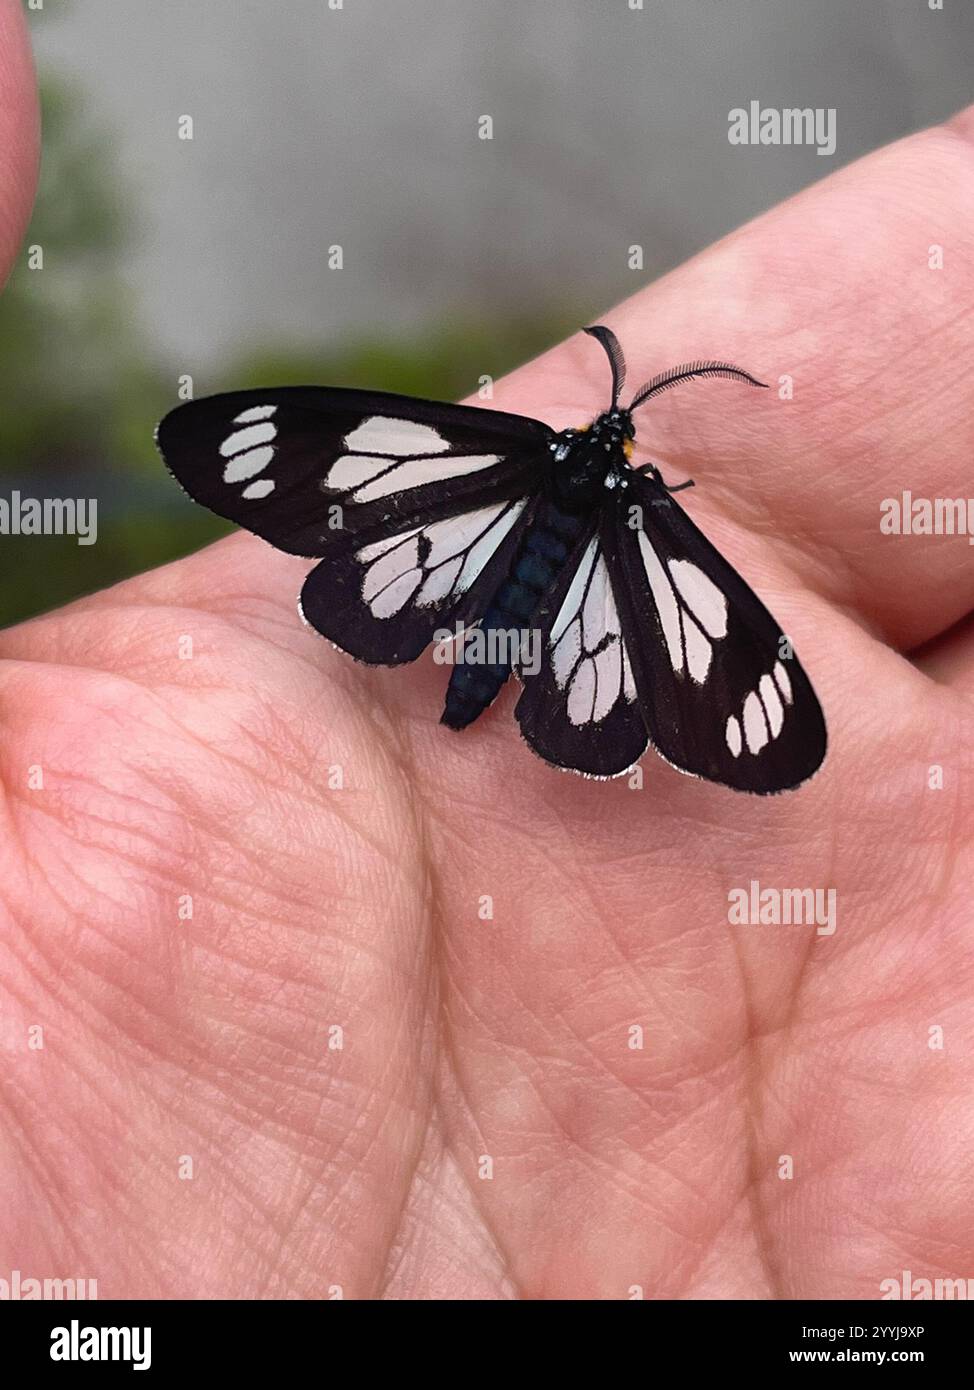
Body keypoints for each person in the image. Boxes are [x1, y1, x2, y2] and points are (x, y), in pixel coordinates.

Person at [1, 2, 971, 1298]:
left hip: (460, 543)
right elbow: (722, 667)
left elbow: (749, 706)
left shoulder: (521, 458)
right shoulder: (653, 516)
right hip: (557, 593)